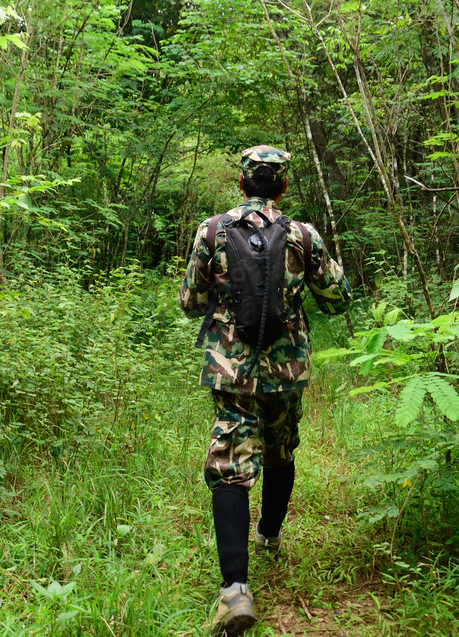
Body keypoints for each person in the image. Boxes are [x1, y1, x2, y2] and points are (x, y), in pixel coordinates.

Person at [178, 145, 353, 636]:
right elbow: (338, 300)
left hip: (229, 367)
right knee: (280, 449)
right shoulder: (304, 234)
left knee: (229, 464)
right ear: (282, 185)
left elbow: (190, 303)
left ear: (241, 183)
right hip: (285, 367)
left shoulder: (211, 231)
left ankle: (234, 592)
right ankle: (269, 536)